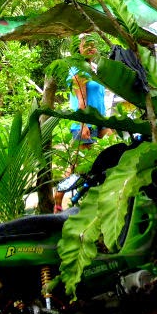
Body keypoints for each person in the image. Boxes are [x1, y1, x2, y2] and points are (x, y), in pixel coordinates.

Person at [53, 33, 113, 211]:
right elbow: (81, 101)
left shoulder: (94, 69)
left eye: (93, 45)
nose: (90, 48)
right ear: (79, 49)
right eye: (86, 45)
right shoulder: (78, 70)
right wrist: (83, 124)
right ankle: (57, 201)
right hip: (85, 123)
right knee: (76, 166)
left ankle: (97, 196)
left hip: (100, 121)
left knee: (110, 154)